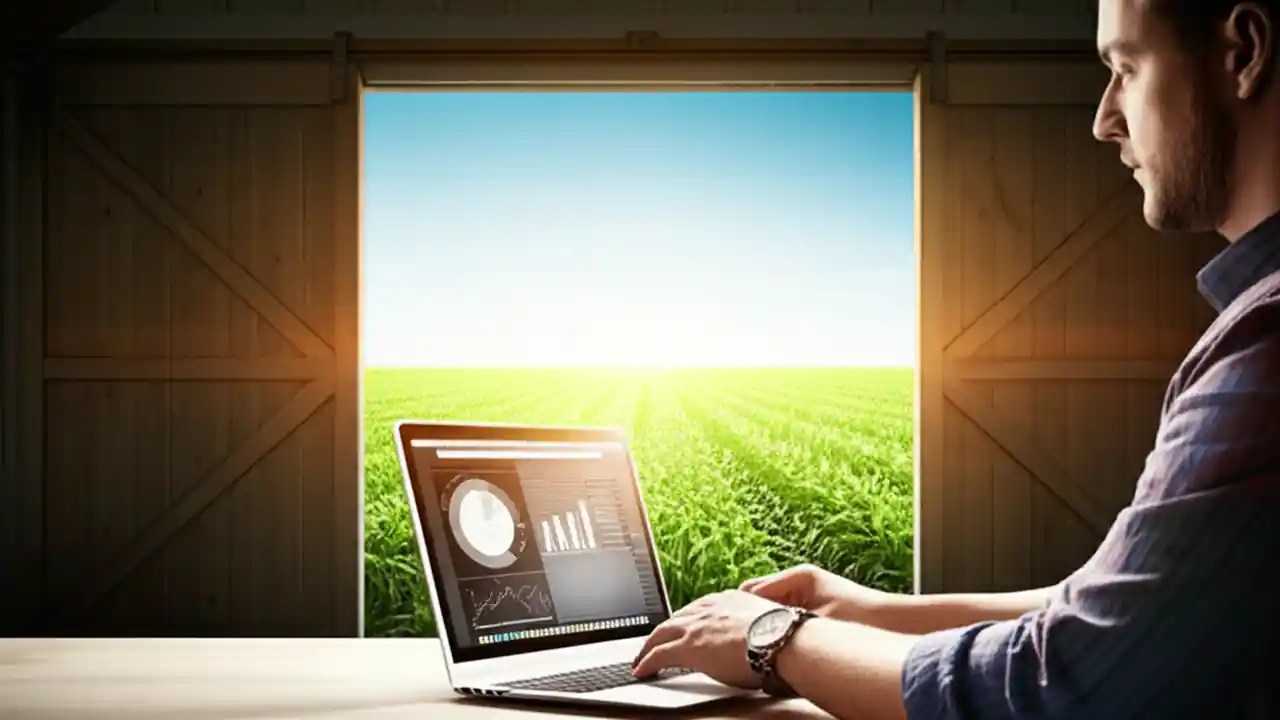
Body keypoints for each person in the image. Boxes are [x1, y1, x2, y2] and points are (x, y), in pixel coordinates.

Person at [630, 0, 1280, 717]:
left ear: (1244, 53)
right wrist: (867, 612)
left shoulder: (1265, 353)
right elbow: (1118, 613)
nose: (1103, 118)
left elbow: (1067, 678)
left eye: (1126, 67)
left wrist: (776, 639)